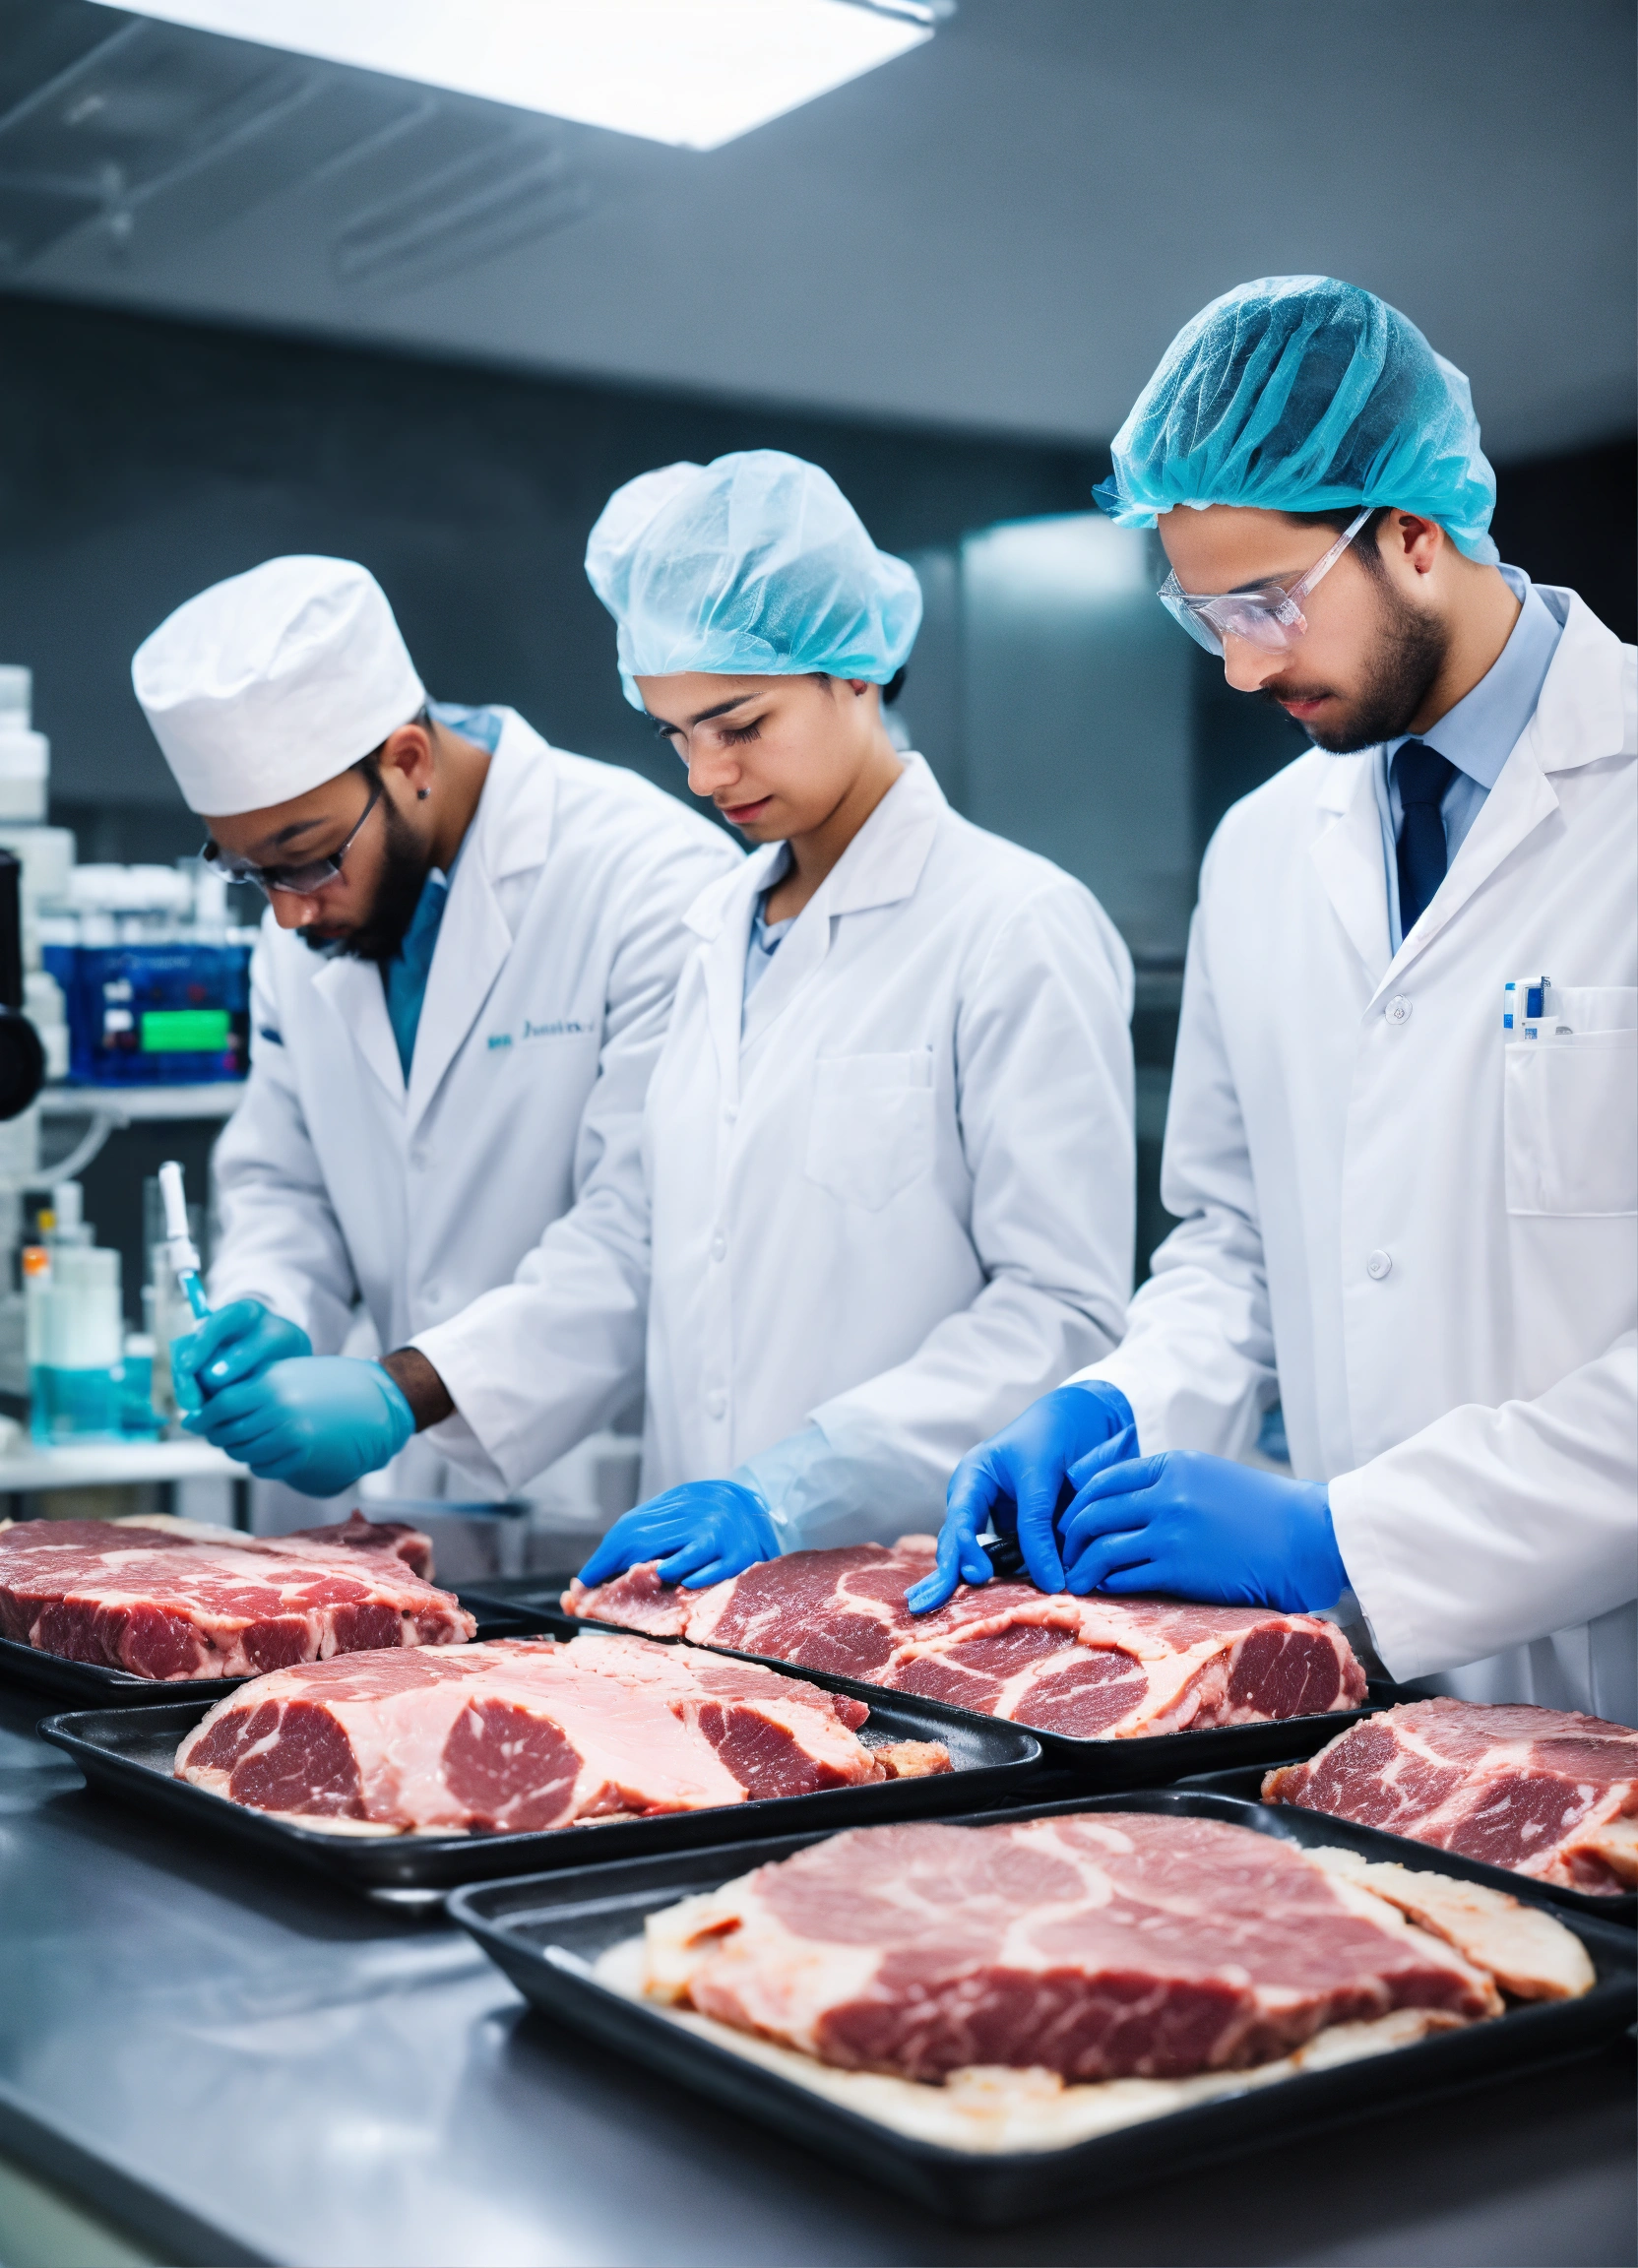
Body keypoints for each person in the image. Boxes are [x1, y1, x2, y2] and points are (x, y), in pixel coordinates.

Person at [913, 277, 1635, 1726]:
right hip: (1378, 1711)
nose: (1243, 665)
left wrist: (1351, 1536)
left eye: (1269, 603)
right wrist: (1129, 1400)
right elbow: (1236, 1239)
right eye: (1203, 616)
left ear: (1416, 538)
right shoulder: (1262, 850)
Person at [574, 450, 1135, 1591]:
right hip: (708, 1599)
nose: (702, 774)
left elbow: (1064, 1311)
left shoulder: (1012, 922)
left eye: (737, 722)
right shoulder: (709, 933)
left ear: (855, 673)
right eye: (672, 733)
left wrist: (796, 1483)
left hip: (913, 1586)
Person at [134, 555, 736, 1500]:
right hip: (398, 1506)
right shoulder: (299, 924)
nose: (288, 915)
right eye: (249, 872)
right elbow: (286, 1183)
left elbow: (648, 1230)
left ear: (408, 760)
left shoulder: (651, 881)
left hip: (607, 1491)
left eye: (304, 857)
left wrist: (401, 1390)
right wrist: (268, 1303)